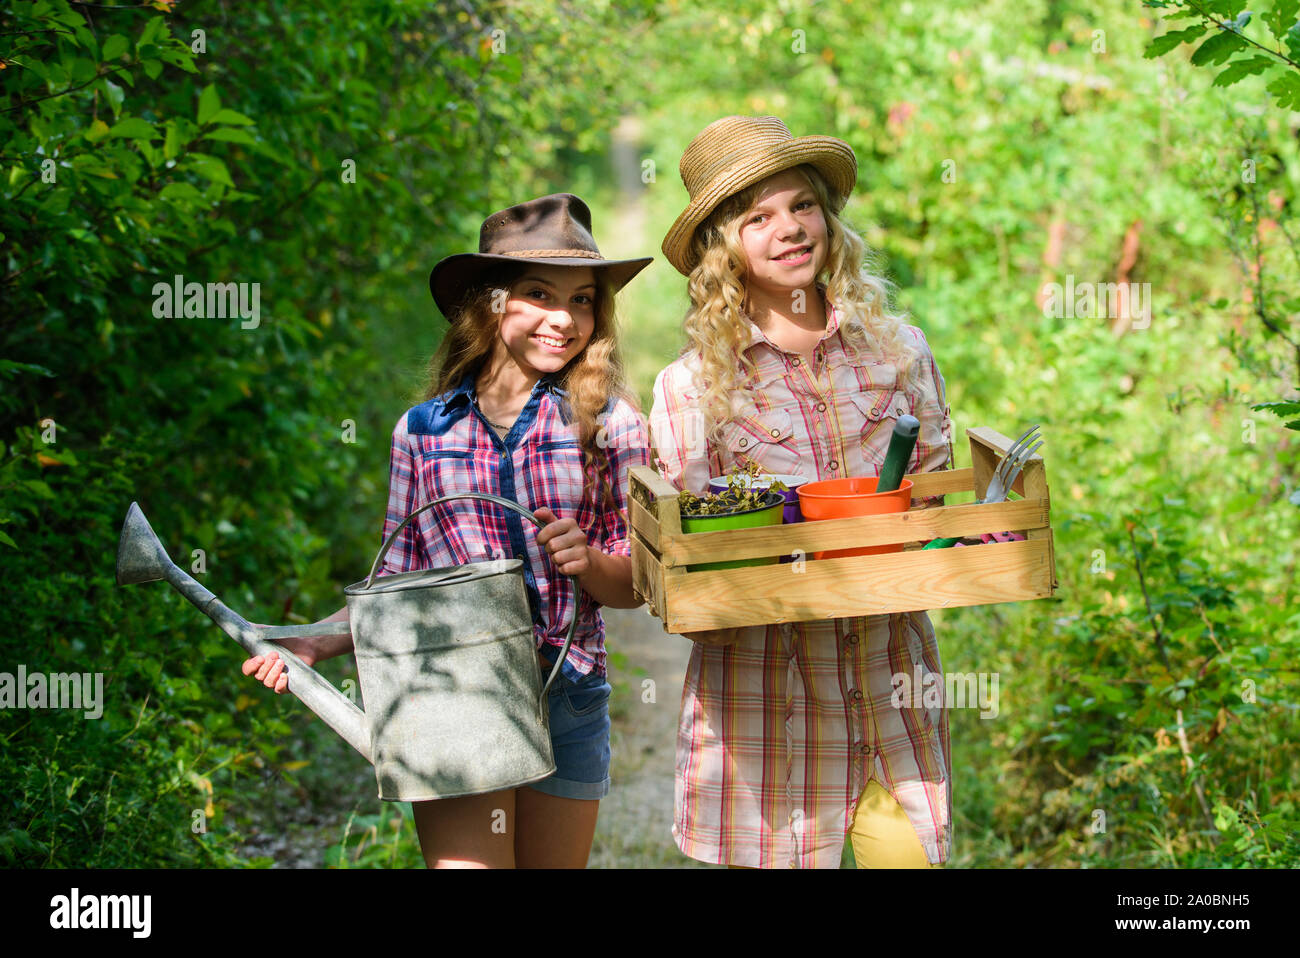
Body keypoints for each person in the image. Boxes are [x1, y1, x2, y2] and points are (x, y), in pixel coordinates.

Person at [243, 193, 653, 868]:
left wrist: (588, 561)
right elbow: (401, 584)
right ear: (491, 304)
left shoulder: (610, 424)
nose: (564, 318)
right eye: (539, 294)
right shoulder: (423, 431)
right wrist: (315, 642)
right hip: (455, 692)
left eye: (583, 300)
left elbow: (635, 583)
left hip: (567, 689)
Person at [649, 115, 956, 869]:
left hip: (890, 694)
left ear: (828, 217)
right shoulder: (694, 387)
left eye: (802, 206)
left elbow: (941, 498)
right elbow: (691, 571)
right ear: (725, 248)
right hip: (765, 717)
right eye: (758, 218)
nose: (789, 229)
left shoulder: (898, 351)